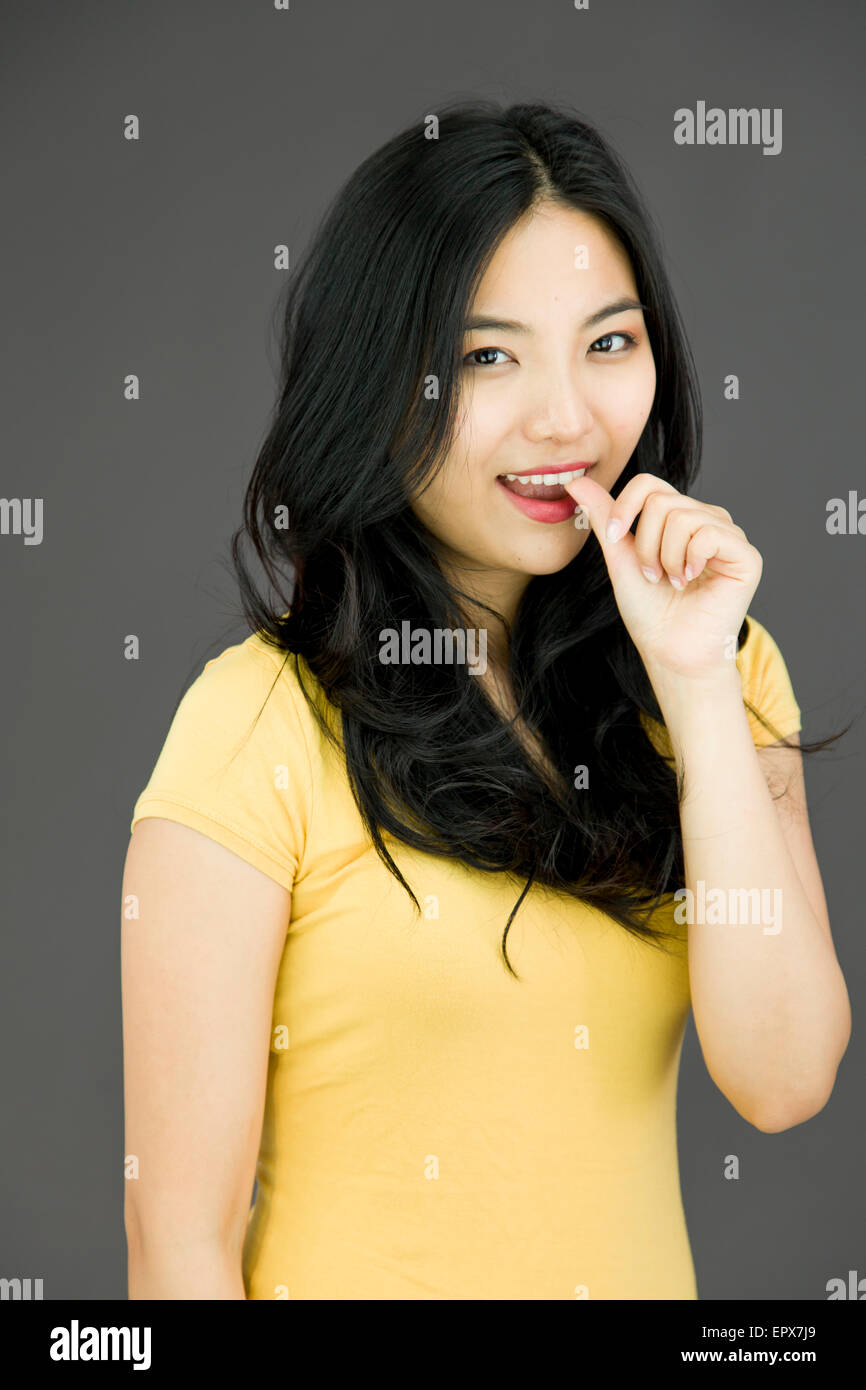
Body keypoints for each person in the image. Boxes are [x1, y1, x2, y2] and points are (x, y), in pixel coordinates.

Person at [121, 99, 851, 1300]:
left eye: (607, 343)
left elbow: (781, 1079)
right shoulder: (255, 721)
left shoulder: (719, 674)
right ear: (376, 378)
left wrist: (696, 684)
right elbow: (178, 1246)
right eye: (484, 355)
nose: (566, 419)